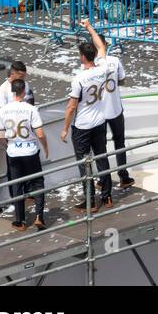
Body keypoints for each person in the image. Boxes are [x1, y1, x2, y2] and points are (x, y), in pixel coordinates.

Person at [60, 32, 113, 213]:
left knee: (84, 164)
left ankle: (90, 200)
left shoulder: (79, 79)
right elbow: (102, 47)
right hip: (99, 121)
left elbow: (71, 107)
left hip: (82, 126)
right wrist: (90, 28)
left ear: (82, 57)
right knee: (101, 157)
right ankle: (107, 195)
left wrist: (65, 129)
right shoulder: (102, 69)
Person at [82, 18, 132, 188]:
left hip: (100, 112)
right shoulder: (114, 61)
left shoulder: (91, 66)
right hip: (116, 108)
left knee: (100, 149)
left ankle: (103, 180)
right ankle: (124, 176)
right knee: (120, 142)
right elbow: (122, 80)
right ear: (104, 46)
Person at [0, 78, 48, 231]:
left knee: (17, 185)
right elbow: (39, 133)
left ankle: (20, 220)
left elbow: (0, 136)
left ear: (12, 92)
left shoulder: (4, 110)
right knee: (38, 182)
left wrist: (9, 146)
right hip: (30, 150)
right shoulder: (31, 109)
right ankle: (39, 216)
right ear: (24, 92)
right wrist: (45, 147)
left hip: (14, 151)